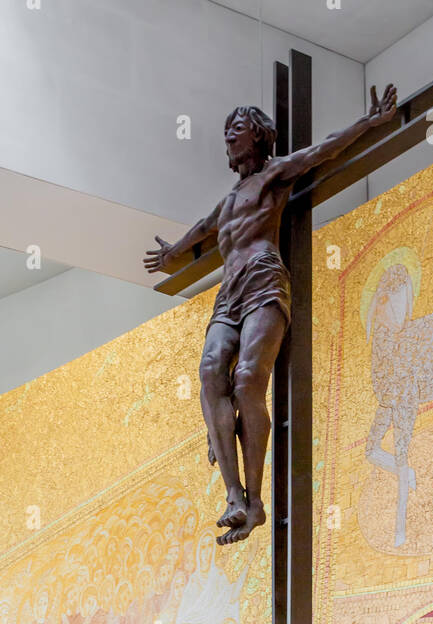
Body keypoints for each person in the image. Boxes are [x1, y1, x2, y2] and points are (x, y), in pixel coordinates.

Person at [144, 84, 397, 544]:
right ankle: (233, 495)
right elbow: (203, 228)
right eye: (226, 130)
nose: (228, 136)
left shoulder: (275, 175)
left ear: (258, 136)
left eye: (237, 128)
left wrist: (370, 122)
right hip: (229, 293)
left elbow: (323, 150)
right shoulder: (228, 201)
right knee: (209, 372)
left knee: (246, 379)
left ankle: (256, 500)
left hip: (263, 277)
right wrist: (173, 252)